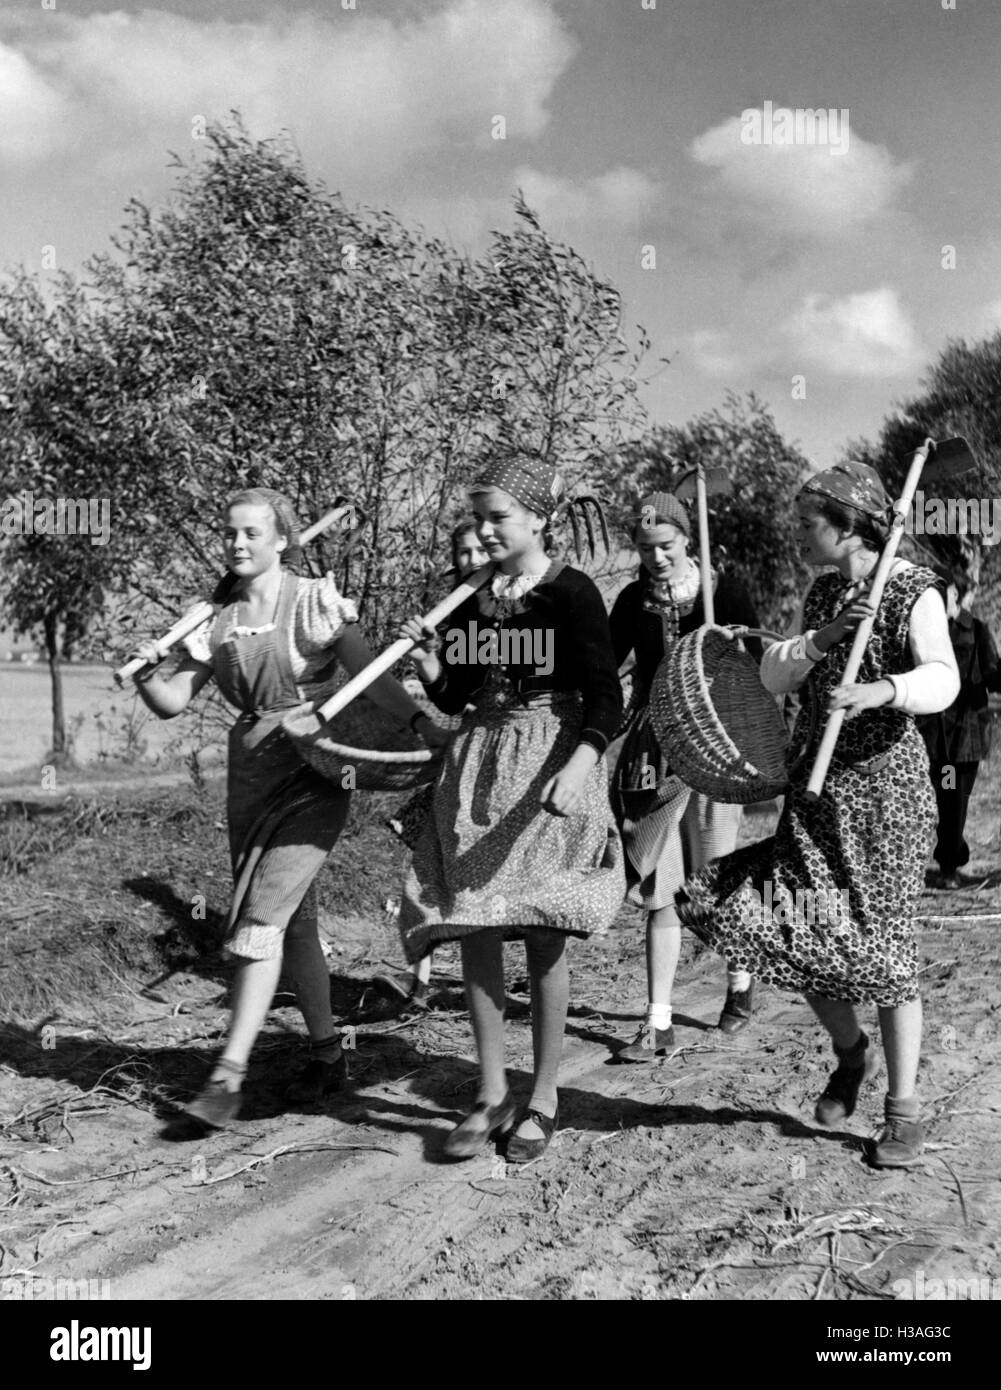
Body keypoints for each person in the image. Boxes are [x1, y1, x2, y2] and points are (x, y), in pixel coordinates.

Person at [130, 487, 448, 1128]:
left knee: (258, 922)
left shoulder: (311, 602)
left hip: (317, 767)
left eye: (251, 533)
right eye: (230, 534)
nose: (237, 544)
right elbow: (172, 702)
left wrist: (423, 724)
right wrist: (144, 671)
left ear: (280, 541)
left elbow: (369, 675)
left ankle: (228, 1075)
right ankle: (330, 1056)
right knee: (292, 924)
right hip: (249, 774)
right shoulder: (211, 619)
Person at [675, 461, 960, 1168]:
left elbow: (943, 680)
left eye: (808, 523)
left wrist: (883, 690)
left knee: (887, 956)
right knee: (790, 926)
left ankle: (902, 1114)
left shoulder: (912, 590)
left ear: (850, 525)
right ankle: (849, 1053)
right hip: (817, 791)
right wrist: (826, 638)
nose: (799, 533)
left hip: (886, 799)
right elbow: (775, 673)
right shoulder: (827, 591)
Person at [397, 457, 624, 1162]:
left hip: (548, 765)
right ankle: (490, 1091)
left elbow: (603, 699)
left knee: (541, 928)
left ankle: (544, 1094)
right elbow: (457, 692)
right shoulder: (472, 596)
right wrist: (433, 661)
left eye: (499, 517)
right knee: (473, 926)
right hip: (479, 766)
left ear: (536, 520)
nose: (486, 530)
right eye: (479, 518)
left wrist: (580, 766)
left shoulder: (571, 594)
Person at [608, 492, 762, 1061]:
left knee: (715, 878)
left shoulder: (726, 593)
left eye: (666, 546)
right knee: (661, 886)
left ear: (686, 542)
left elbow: (758, 672)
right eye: (645, 548)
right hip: (655, 754)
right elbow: (604, 666)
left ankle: (742, 984)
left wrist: (730, 655)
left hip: (716, 745)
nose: (656, 558)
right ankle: (659, 1021)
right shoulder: (631, 602)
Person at [366, 519, 490, 1019]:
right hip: (469, 746)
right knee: (430, 861)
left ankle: (494, 984)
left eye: (480, 549)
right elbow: (452, 694)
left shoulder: (530, 606)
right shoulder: (456, 614)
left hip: (519, 750)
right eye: (462, 552)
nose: (472, 560)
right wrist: (427, 658)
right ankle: (419, 983)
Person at [916, 560, 1000, 889]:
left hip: (964, 741)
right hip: (934, 737)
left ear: (954, 593)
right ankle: (948, 861)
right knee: (945, 800)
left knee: (953, 801)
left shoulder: (976, 629)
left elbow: (992, 674)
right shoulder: (923, 630)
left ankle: (949, 865)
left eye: (941, 594)